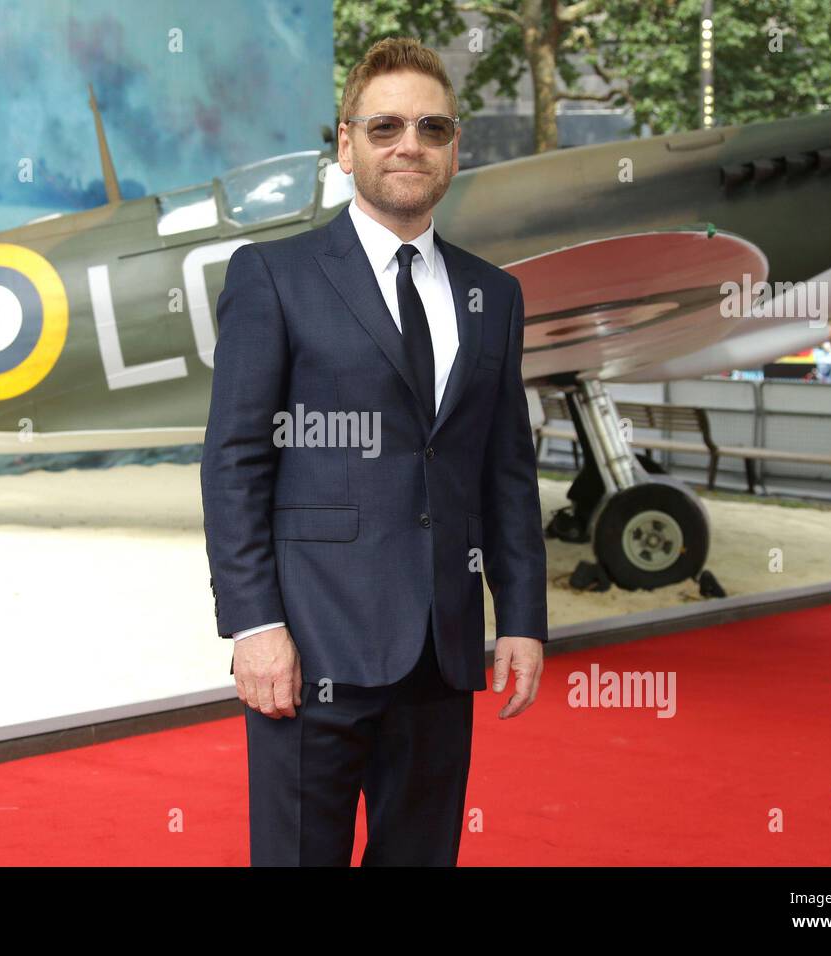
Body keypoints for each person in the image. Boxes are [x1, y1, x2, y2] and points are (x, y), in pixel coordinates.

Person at [200, 36, 548, 866]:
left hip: (441, 651)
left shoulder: (493, 295)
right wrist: (255, 627)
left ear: (455, 147)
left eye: (433, 128)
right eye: (386, 125)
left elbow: (505, 469)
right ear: (346, 142)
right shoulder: (274, 276)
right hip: (311, 649)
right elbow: (236, 461)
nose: (410, 145)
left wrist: (522, 618)